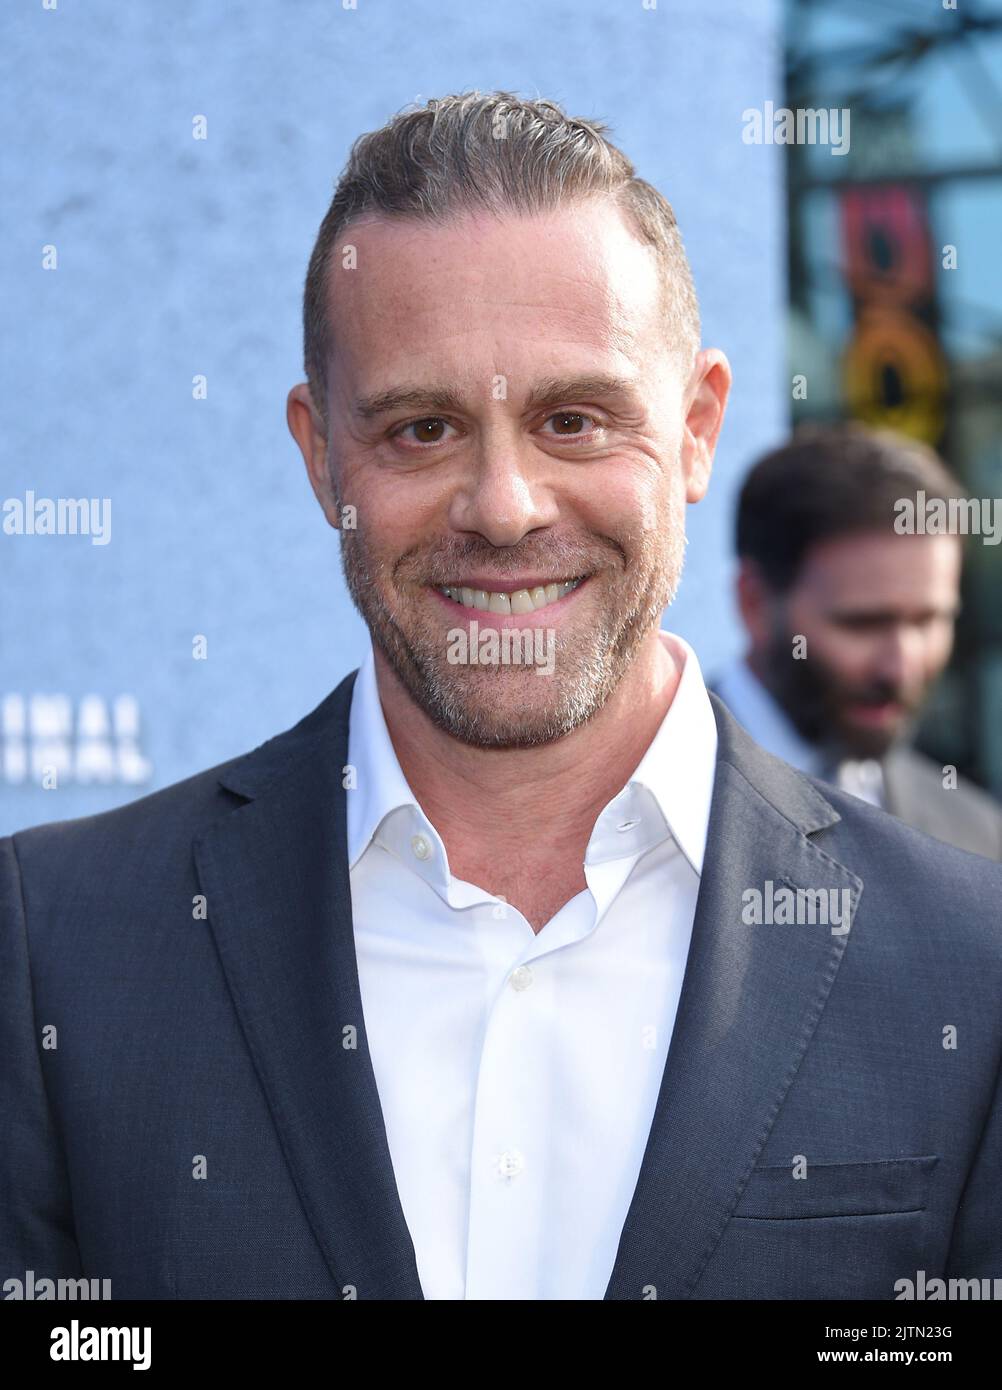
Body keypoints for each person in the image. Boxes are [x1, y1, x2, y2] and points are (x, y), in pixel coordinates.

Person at [2, 91, 1000, 1302]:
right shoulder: (58, 943)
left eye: (573, 420)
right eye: (422, 430)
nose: (506, 505)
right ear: (321, 457)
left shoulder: (971, 962)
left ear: (696, 429)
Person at [712, 424, 1002, 858]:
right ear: (754, 603)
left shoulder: (975, 838)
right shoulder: (637, 797)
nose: (901, 667)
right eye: (862, 624)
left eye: (929, 621)